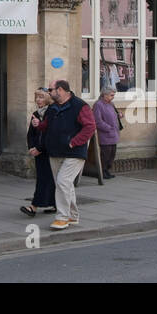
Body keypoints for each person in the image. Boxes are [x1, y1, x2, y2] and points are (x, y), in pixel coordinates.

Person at [34, 79, 96, 230]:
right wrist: (39, 125)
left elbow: (90, 127)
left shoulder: (80, 106)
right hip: (55, 151)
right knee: (64, 184)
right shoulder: (54, 107)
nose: (49, 92)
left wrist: (74, 142)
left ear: (60, 90)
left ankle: (62, 218)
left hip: (74, 152)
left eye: (51, 90)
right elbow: (48, 125)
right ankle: (72, 216)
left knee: (62, 182)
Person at [21, 88, 57, 215]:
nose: (38, 99)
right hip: (38, 151)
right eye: (36, 97)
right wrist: (31, 147)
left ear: (47, 98)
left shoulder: (52, 112)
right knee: (46, 179)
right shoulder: (36, 113)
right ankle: (54, 204)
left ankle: (34, 206)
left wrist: (39, 148)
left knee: (45, 179)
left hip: (48, 151)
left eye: (41, 97)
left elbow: (50, 133)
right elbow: (31, 133)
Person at [92, 86, 121, 179]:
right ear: (104, 95)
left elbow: (112, 115)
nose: (113, 97)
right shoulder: (98, 104)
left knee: (112, 154)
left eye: (113, 95)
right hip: (105, 135)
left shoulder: (111, 104)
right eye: (111, 95)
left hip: (113, 134)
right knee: (105, 155)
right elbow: (97, 121)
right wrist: (109, 128)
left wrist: (119, 115)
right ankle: (102, 171)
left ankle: (107, 170)